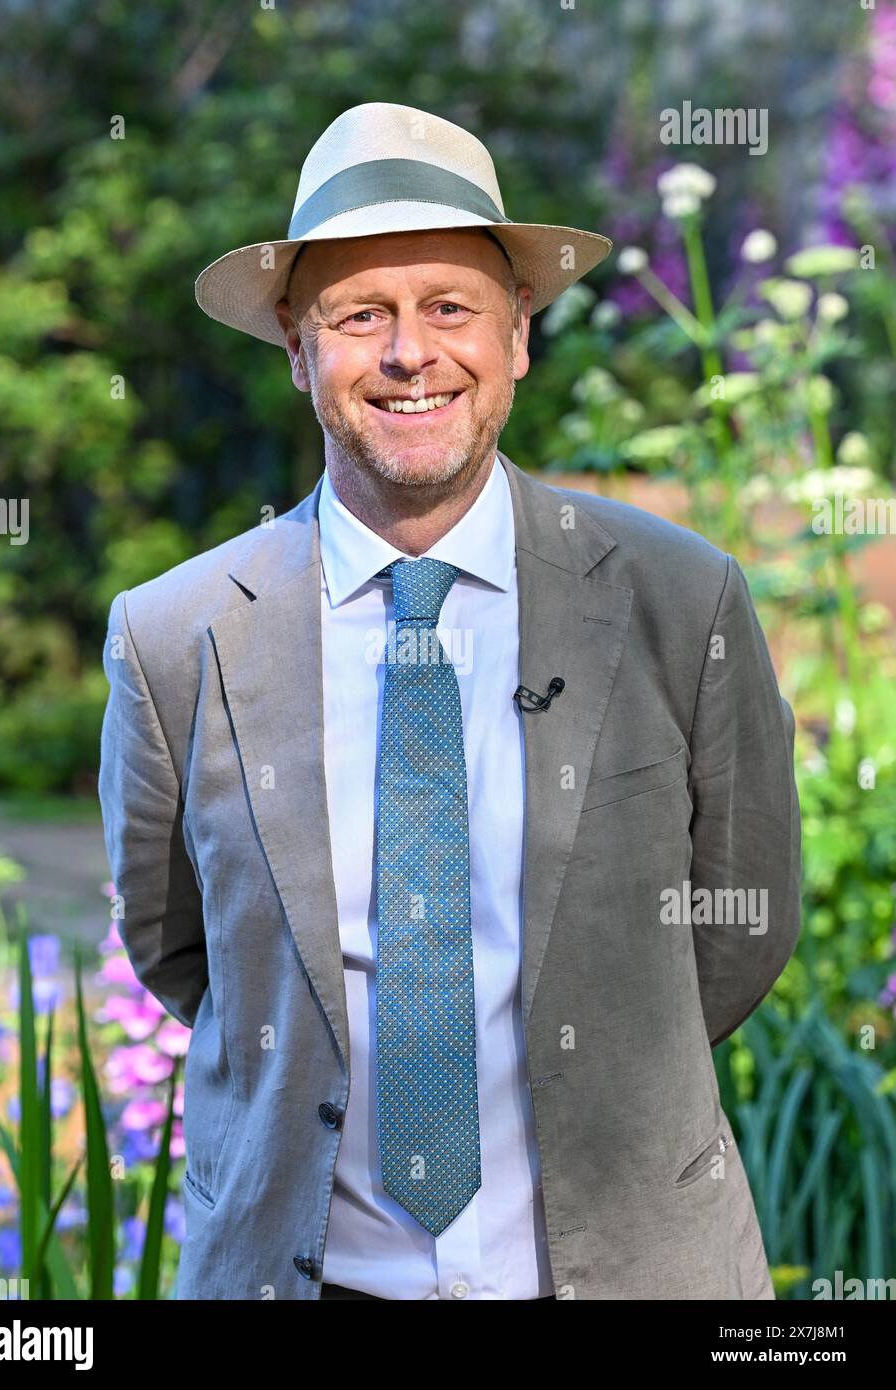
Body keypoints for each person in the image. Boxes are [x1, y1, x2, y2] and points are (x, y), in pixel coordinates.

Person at [98, 102, 801, 1301]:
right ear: (295, 347)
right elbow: (180, 947)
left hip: (630, 1274)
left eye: (451, 307)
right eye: (360, 314)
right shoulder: (175, 638)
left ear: (518, 337)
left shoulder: (682, 601)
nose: (410, 352)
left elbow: (742, 928)